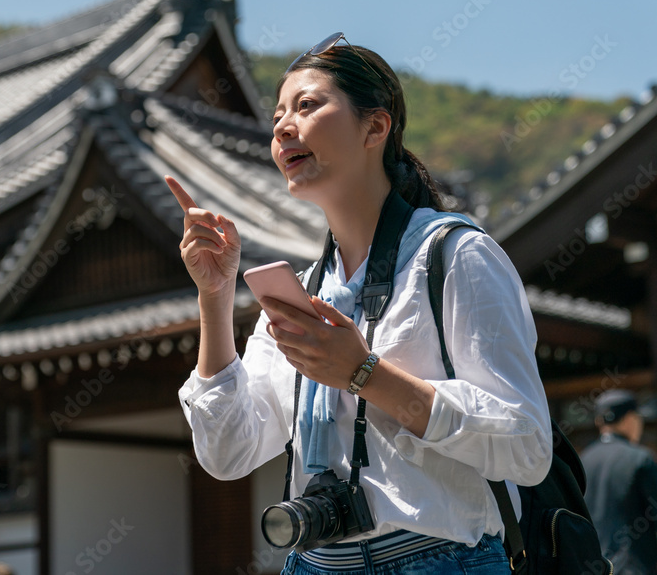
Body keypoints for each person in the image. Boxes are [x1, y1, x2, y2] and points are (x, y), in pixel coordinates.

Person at [166, 32, 552, 574]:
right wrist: (215, 296)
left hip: (438, 560)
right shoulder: (304, 292)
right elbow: (230, 453)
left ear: (376, 126)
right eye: (278, 114)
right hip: (313, 562)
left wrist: (364, 372)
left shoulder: (456, 256)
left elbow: (527, 446)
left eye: (307, 105)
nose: (281, 126)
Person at [581, 389, 657, 574]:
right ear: (629, 419)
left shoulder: (582, 461)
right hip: (634, 566)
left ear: (600, 421)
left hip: (591, 566)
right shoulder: (640, 458)